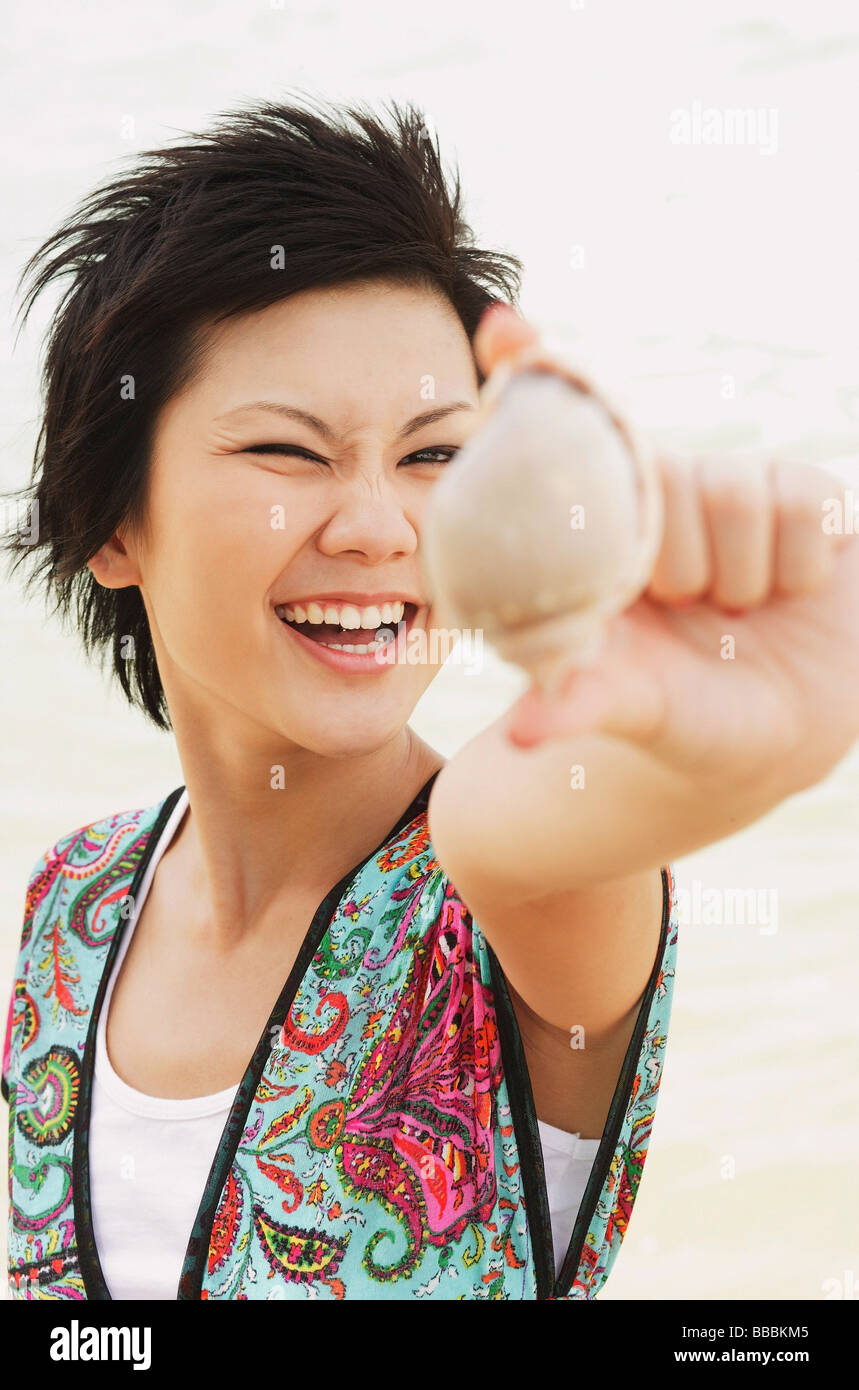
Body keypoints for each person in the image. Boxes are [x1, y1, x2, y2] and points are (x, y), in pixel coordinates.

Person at [2, 96, 856, 1303]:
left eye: (434, 455)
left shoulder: (497, 897)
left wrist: (714, 718)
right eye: (289, 453)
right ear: (110, 522)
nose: (377, 527)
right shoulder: (71, 908)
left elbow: (549, 818)